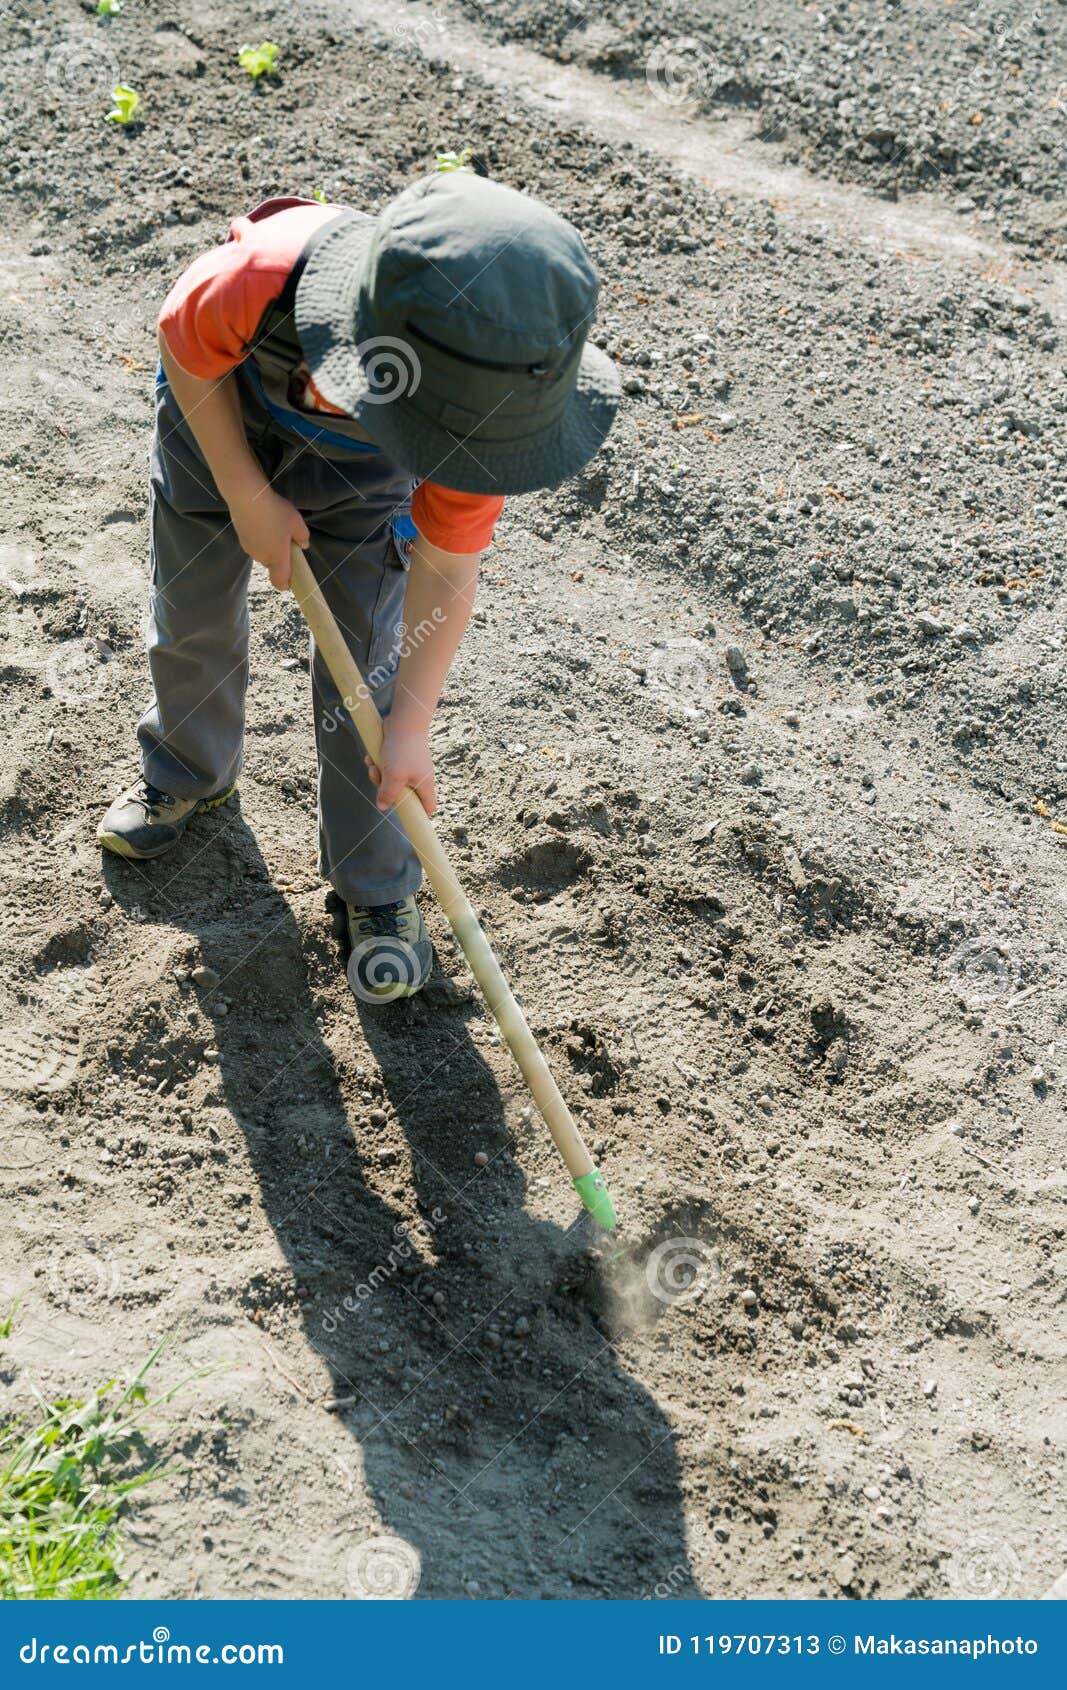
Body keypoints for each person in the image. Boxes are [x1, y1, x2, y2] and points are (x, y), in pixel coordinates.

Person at [98, 167, 619, 998]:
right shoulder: (261, 276)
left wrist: (409, 728)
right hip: (218, 428)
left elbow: (446, 569)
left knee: (368, 681)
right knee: (191, 610)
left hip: (360, 488)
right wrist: (245, 491)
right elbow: (183, 344)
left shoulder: (482, 421)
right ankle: (186, 771)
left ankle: (374, 886)